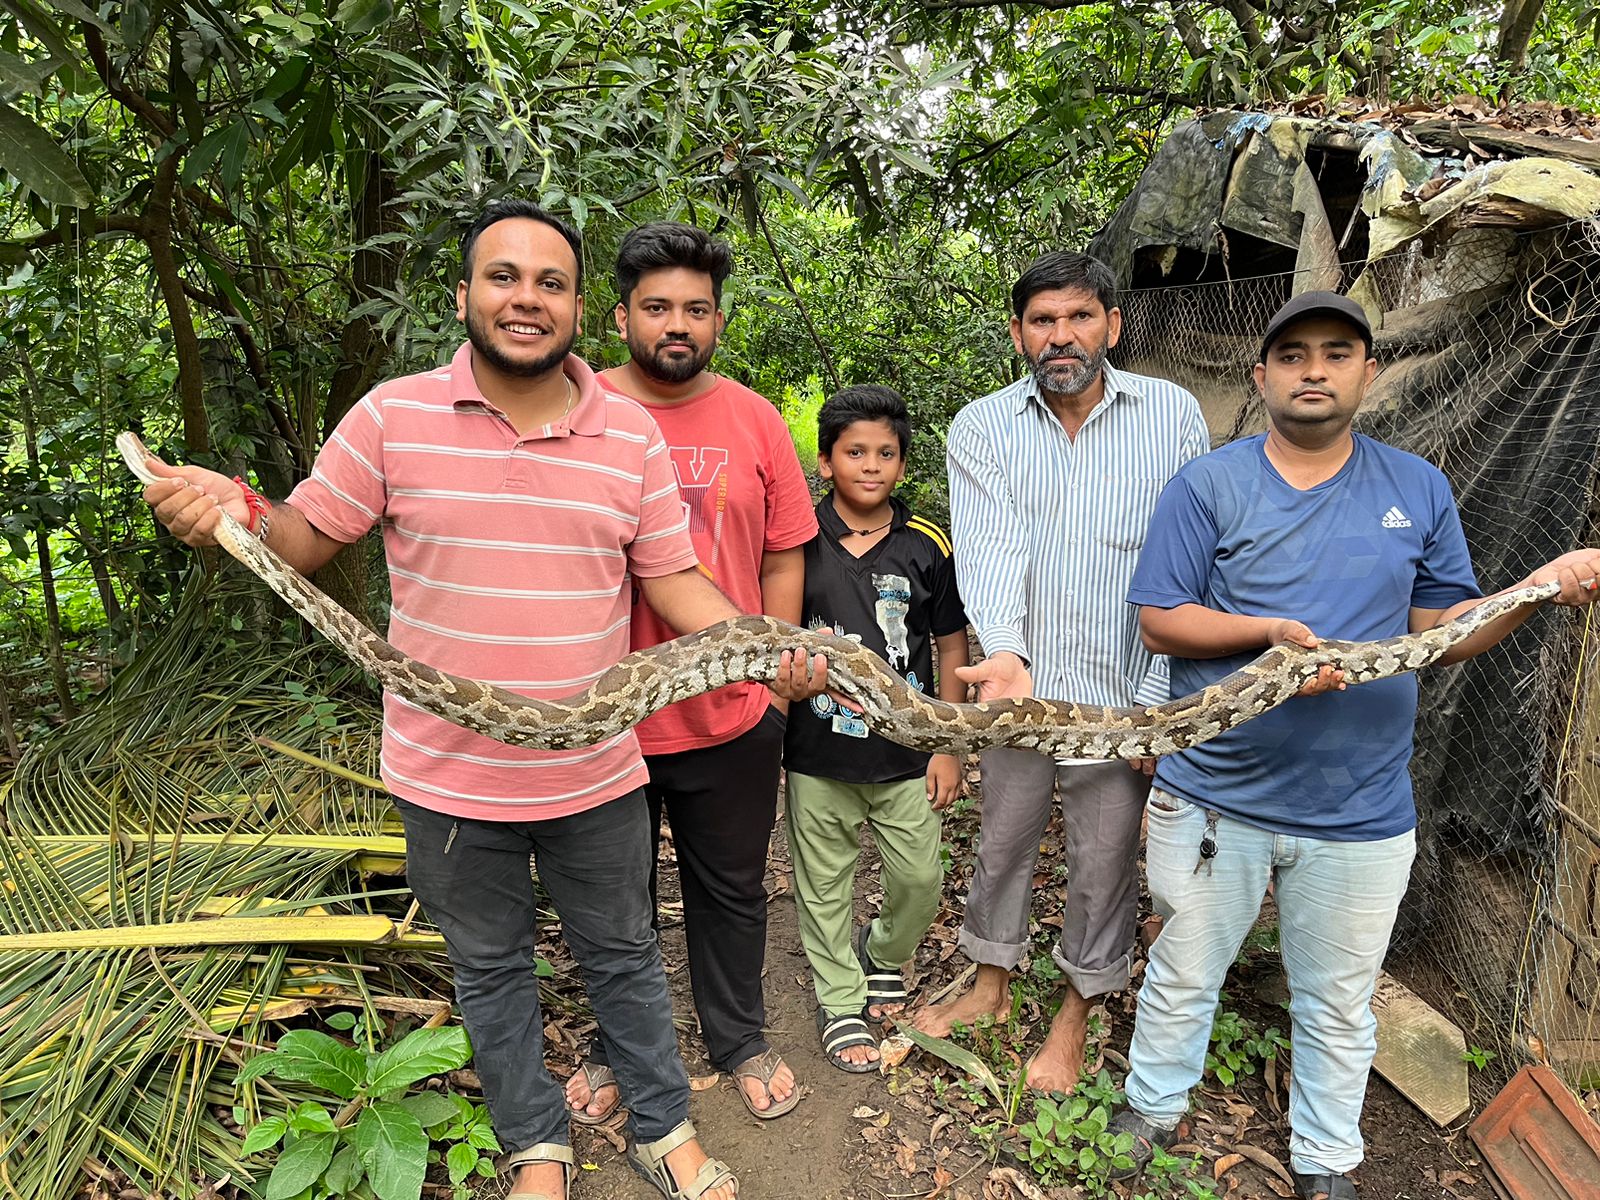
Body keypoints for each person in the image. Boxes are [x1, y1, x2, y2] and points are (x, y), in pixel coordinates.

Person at [134, 200, 833, 1200]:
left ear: (579, 309)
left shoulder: (628, 433)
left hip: (595, 770)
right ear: (464, 295)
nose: (526, 298)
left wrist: (765, 654)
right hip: (445, 776)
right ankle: (536, 1144)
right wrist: (236, 510)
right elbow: (305, 536)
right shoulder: (392, 415)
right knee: (493, 968)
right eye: (504, 277)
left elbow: (674, 580)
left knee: (624, 954)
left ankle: (662, 1125)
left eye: (551, 283)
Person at [1110, 291, 1600, 1200]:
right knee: (1184, 966)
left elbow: (1441, 633)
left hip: (1360, 805)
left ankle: (1327, 1155)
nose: (1314, 371)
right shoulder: (1206, 484)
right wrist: (1271, 640)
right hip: (1216, 790)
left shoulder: (1417, 487)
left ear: (1369, 373)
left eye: (1337, 354)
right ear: (1260, 376)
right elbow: (1161, 620)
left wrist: (1532, 590)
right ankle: (1151, 1104)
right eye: (1292, 355)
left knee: (1339, 995)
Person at [913, 252, 1209, 1093]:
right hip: (1020, 691)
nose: (1061, 336)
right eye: (1042, 321)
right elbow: (991, 547)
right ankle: (990, 983)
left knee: (1104, 860)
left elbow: (1187, 558)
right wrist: (1005, 656)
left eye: (1079, 317)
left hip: (1123, 690)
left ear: (1112, 324)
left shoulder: (1172, 415)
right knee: (1002, 841)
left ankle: (1077, 1012)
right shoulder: (983, 426)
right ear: (1018, 334)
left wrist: (1156, 702)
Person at [557, 222, 816, 1124]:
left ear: (717, 321)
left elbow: (784, 550)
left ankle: (736, 1035)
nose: (678, 324)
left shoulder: (755, 419)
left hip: (732, 713)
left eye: (696, 309)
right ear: (619, 316)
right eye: (658, 307)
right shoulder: (575, 411)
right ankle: (614, 1043)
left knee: (732, 890)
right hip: (603, 717)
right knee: (610, 901)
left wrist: (774, 674)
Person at [782, 385, 969, 1071]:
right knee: (823, 885)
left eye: (885, 453)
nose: (870, 465)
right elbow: (776, 642)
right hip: (817, 752)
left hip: (907, 754)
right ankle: (839, 999)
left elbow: (951, 645)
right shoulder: (797, 539)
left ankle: (884, 950)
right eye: (854, 452)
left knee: (919, 878)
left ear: (902, 463)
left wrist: (948, 745)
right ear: (825, 462)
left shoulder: (926, 544)